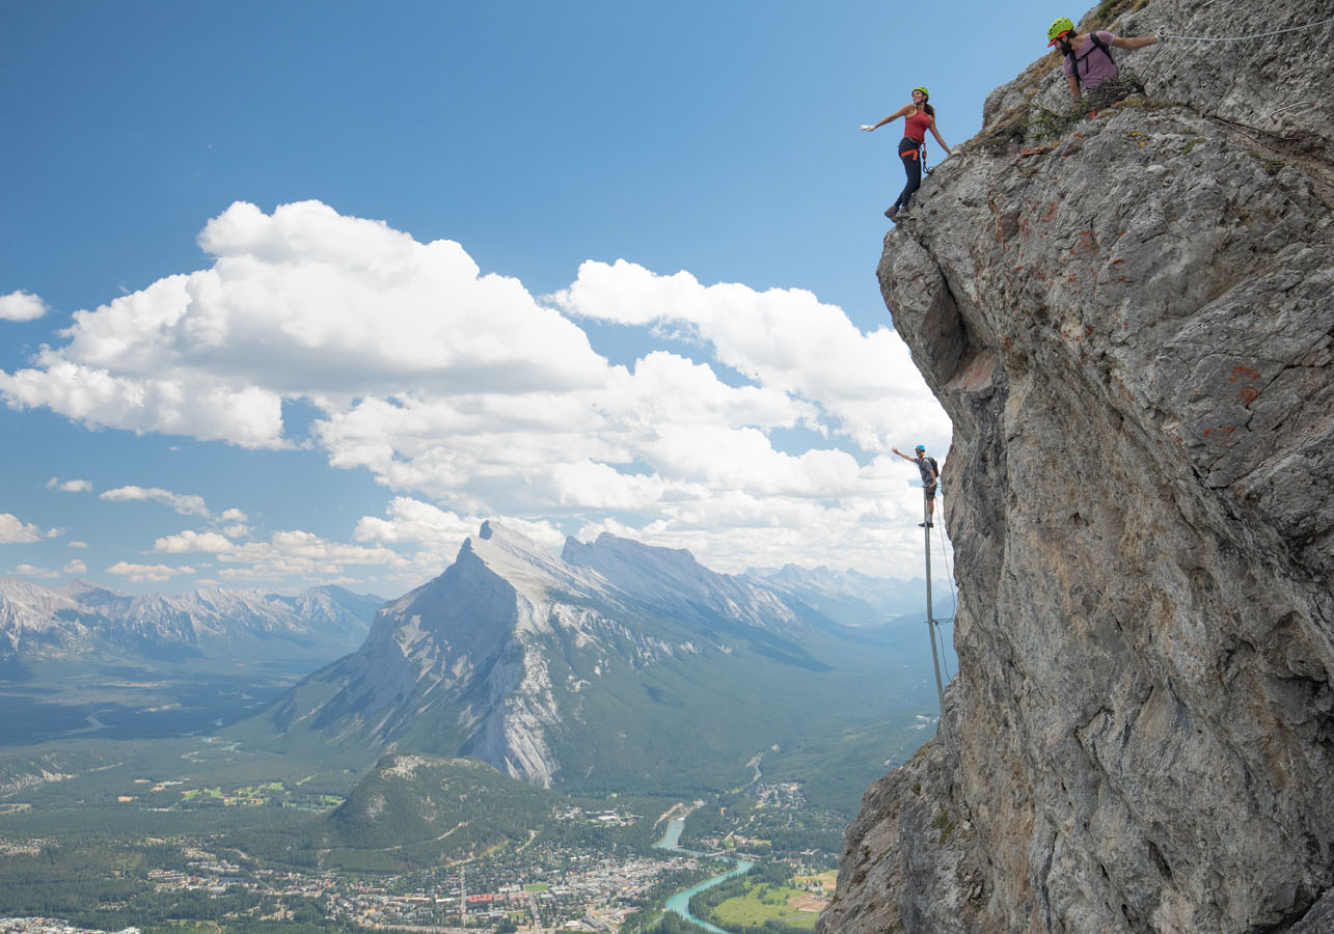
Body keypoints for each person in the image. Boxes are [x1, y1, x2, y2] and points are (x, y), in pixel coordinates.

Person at [861, 87, 952, 222]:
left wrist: (950, 152)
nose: (914, 97)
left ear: (924, 97)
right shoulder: (910, 109)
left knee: (916, 184)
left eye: (917, 94)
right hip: (907, 145)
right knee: (912, 180)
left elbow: (937, 136)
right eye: (913, 95)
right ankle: (903, 209)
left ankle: (894, 208)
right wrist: (875, 126)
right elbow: (893, 117)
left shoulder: (929, 118)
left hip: (915, 148)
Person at [1046, 16, 1158, 102]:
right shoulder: (1068, 63)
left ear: (1064, 37)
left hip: (1118, 90)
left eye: (1055, 43)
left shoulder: (1098, 37)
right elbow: (1076, 94)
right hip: (1097, 102)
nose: (1056, 48)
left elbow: (1127, 43)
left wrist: (1155, 39)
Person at [893, 444, 939, 527]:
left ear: (923, 452)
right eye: (917, 451)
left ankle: (929, 521)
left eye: (919, 451)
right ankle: (928, 521)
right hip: (927, 483)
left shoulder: (925, 462)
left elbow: (931, 471)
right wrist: (899, 453)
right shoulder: (919, 461)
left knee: (929, 502)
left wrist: (934, 482)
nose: (918, 453)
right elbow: (908, 458)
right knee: (928, 502)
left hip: (930, 483)